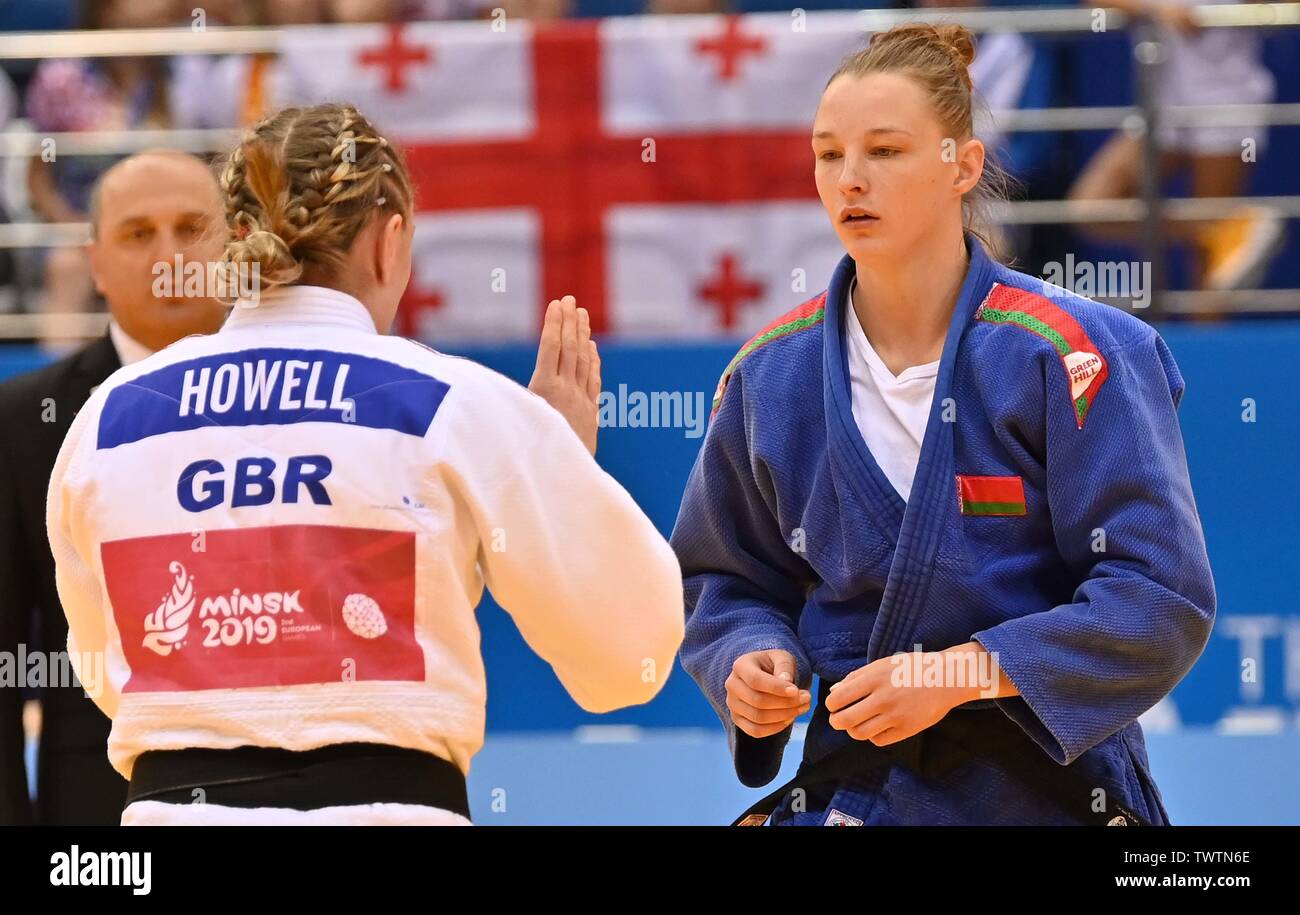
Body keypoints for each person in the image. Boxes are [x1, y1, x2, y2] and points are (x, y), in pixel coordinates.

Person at [46, 102, 684, 826]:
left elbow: (105, 665)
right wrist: (563, 466)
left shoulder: (109, 418)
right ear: (390, 241)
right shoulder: (453, 404)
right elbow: (629, 654)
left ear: (238, 238)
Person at [671, 24, 1215, 826]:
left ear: (962, 165)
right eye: (828, 155)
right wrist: (746, 658)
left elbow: (1158, 596)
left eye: (884, 151)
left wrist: (957, 674)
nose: (850, 180)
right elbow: (724, 580)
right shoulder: (768, 376)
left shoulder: (1077, 352)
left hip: (1046, 794)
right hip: (859, 791)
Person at [0, 150, 228, 825]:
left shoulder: (311, 400)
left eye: (193, 229)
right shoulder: (23, 422)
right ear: (94, 262)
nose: (169, 257)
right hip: (100, 816)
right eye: (138, 234)